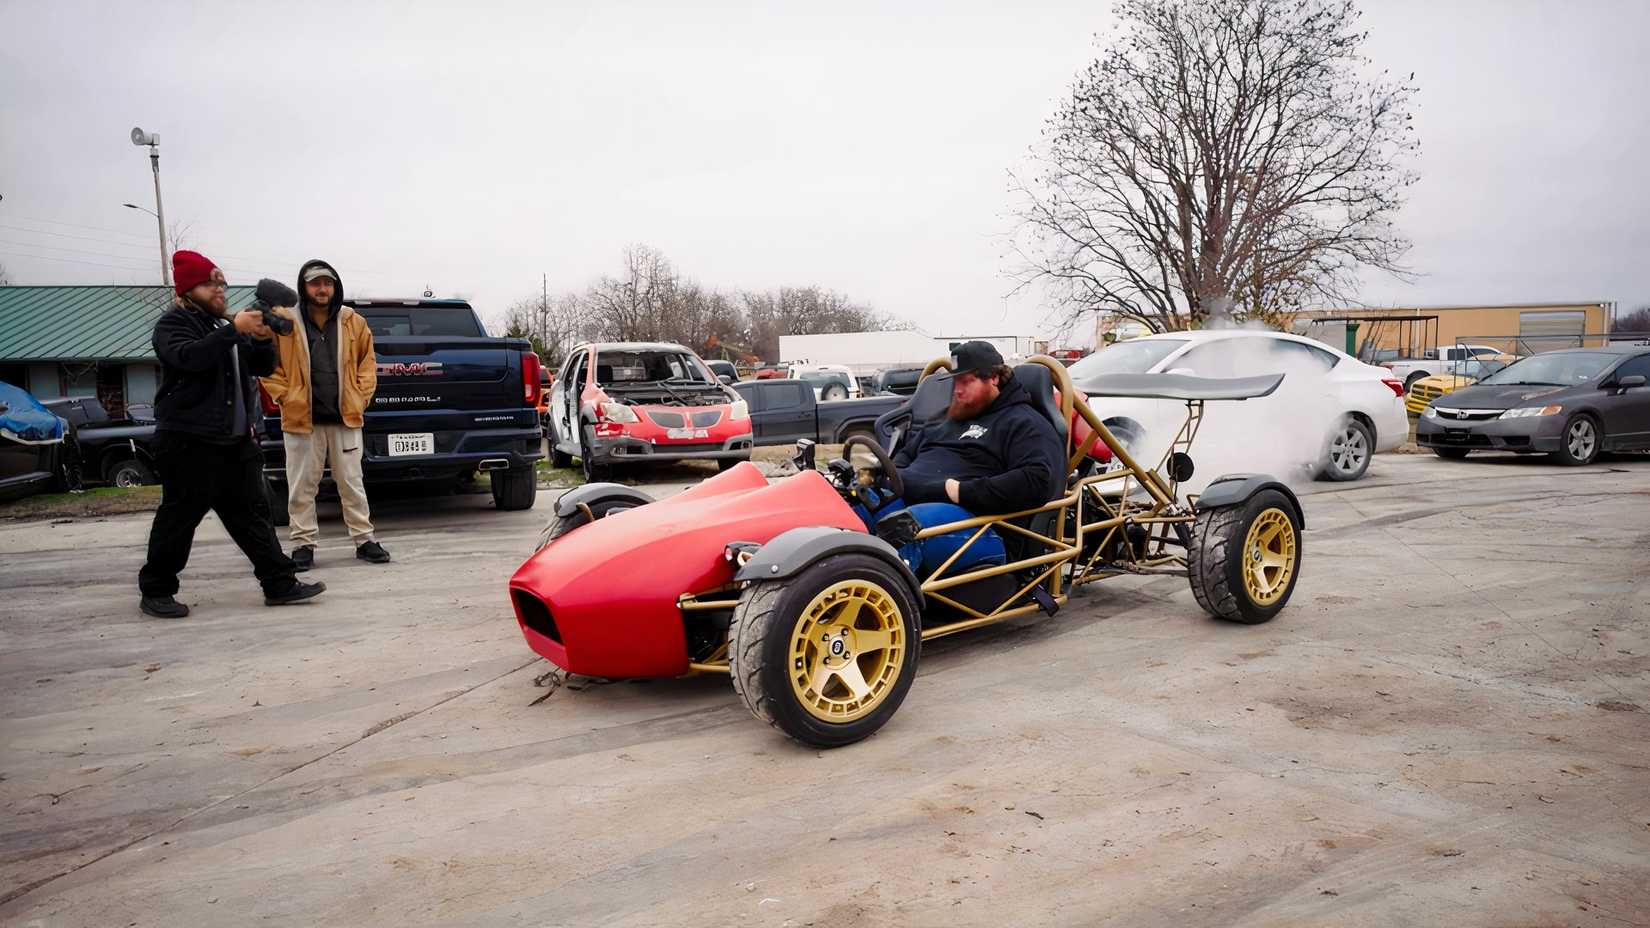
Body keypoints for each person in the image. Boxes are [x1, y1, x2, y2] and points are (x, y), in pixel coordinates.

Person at [137, 251, 326, 617]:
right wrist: (234, 330)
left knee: (253, 516)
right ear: (188, 289)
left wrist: (259, 337)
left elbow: (263, 366)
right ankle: (157, 590)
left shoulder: (221, 325)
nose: (219, 290)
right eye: (210, 284)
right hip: (189, 442)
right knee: (179, 518)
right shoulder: (174, 325)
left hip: (234, 443)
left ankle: (279, 583)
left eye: (221, 284)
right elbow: (188, 358)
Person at [862, 341, 1066, 575]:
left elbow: (1036, 480)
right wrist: (888, 479)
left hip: (982, 527)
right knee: (857, 503)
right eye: (956, 381)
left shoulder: (1024, 423)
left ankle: (884, 600)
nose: (957, 389)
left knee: (904, 526)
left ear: (994, 378)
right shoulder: (946, 419)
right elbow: (905, 456)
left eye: (967, 381)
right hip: (913, 502)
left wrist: (958, 490)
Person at [261, 259, 389, 571]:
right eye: (315, 283)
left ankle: (364, 540)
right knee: (302, 484)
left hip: (344, 417)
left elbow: (367, 365)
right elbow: (267, 366)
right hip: (302, 420)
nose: (322, 289)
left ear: (335, 286)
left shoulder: (353, 322)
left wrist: (359, 399)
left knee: (351, 482)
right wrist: (286, 397)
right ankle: (303, 544)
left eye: (327, 283)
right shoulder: (285, 322)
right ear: (304, 287)